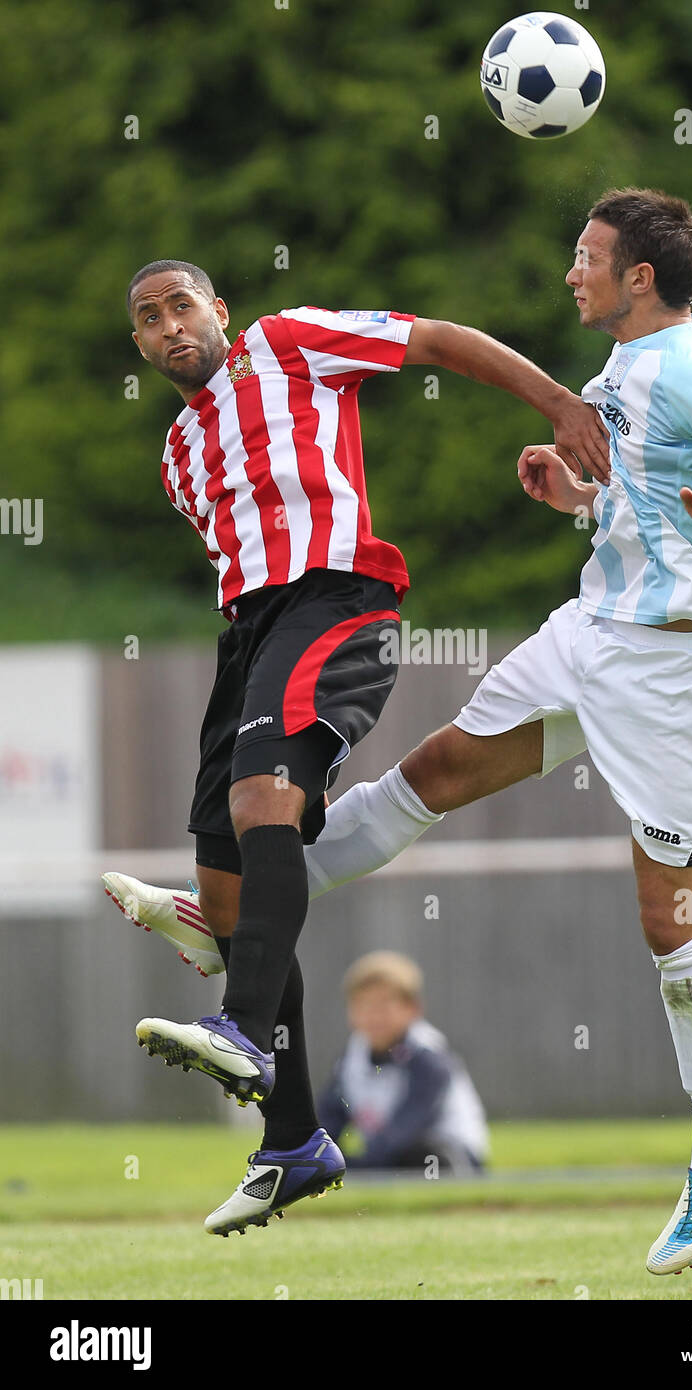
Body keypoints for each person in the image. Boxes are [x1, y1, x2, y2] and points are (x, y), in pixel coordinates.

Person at [109, 186, 692, 1272]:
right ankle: (230, 926)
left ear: (636, 276)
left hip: (683, 653)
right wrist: (578, 499)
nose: (567, 272)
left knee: (668, 917)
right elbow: (645, 494)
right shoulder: (617, 369)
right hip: (593, 628)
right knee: (429, 771)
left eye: (585, 257)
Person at [117, 258, 608, 1237]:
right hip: (250, 635)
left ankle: (243, 1032)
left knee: (267, 805)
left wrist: (556, 399)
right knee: (225, 908)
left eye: (183, 305)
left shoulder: (288, 342)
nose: (169, 325)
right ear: (138, 344)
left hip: (338, 603)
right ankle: (293, 1138)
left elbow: (430, 340)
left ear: (219, 310)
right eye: (147, 318)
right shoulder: (177, 452)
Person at [316, 951, 488, 1176]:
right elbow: (328, 1120)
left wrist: (356, 1166)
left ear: (413, 1009)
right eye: (364, 1006)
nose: (374, 1016)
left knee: (425, 1155)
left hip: (452, 1158)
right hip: (386, 1156)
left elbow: (404, 1130)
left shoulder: (429, 1058)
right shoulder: (351, 1060)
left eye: (384, 1005)